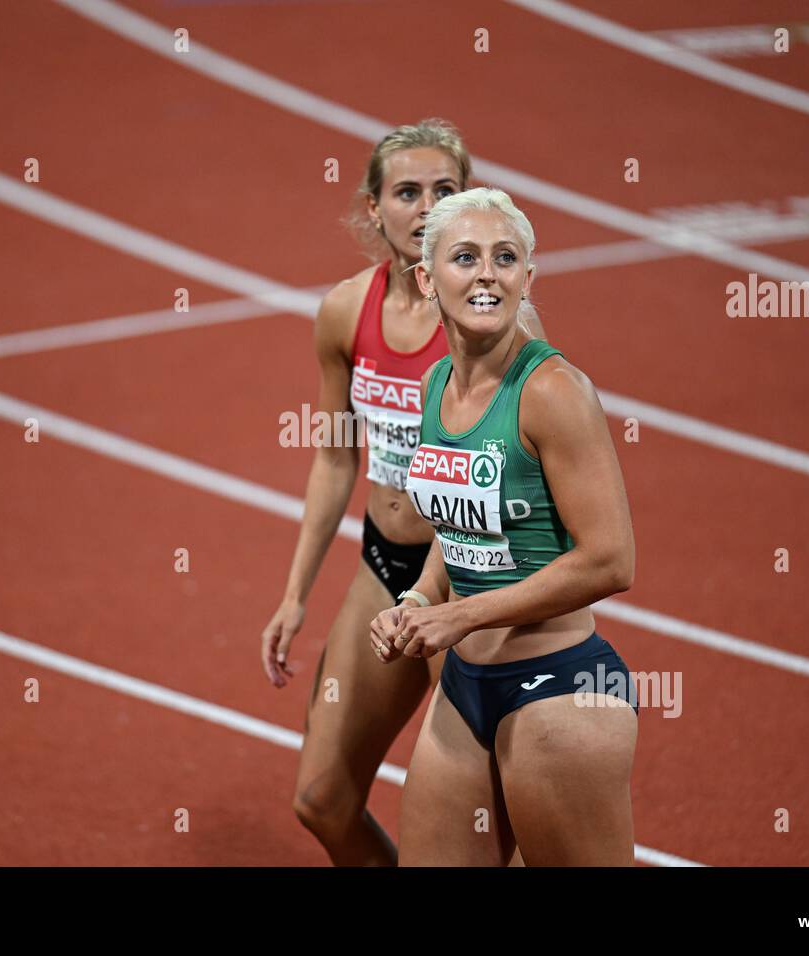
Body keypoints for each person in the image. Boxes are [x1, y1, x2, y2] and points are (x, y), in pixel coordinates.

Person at [370, 187, 640, 866]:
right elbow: (457, 533)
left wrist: (466, 616)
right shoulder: (435, 385)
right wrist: (420, 602)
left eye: (505, 257)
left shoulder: (553, 393)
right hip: (465, 688)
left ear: (527, 275)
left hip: (560, 691)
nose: (487, 273)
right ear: (428, 278)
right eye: (465, 257)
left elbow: (612, 560)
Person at [259, 119, 471, 866]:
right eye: (407, 191)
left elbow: (511, 476)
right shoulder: (347, 311)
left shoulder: (488, 322)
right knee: (322, 800)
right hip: (385, 570)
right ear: (375, 209)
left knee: (475, 826)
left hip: (470, 586)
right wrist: (295, 595)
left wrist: (438, 599)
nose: (426, 206)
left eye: (445, 191)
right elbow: (334, 457)